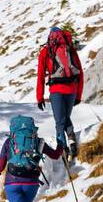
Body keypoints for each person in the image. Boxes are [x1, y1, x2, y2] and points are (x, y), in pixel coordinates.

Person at [36, 24, 84, 159]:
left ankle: (62, 148)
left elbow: (40, 75)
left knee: (59, 122)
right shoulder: (70, 49)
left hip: (56, 90)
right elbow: (80, 73)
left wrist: (40, 97)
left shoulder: (46, 51)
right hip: (72, 89)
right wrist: (78, 95)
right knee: (65, 118)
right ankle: (72, 139)